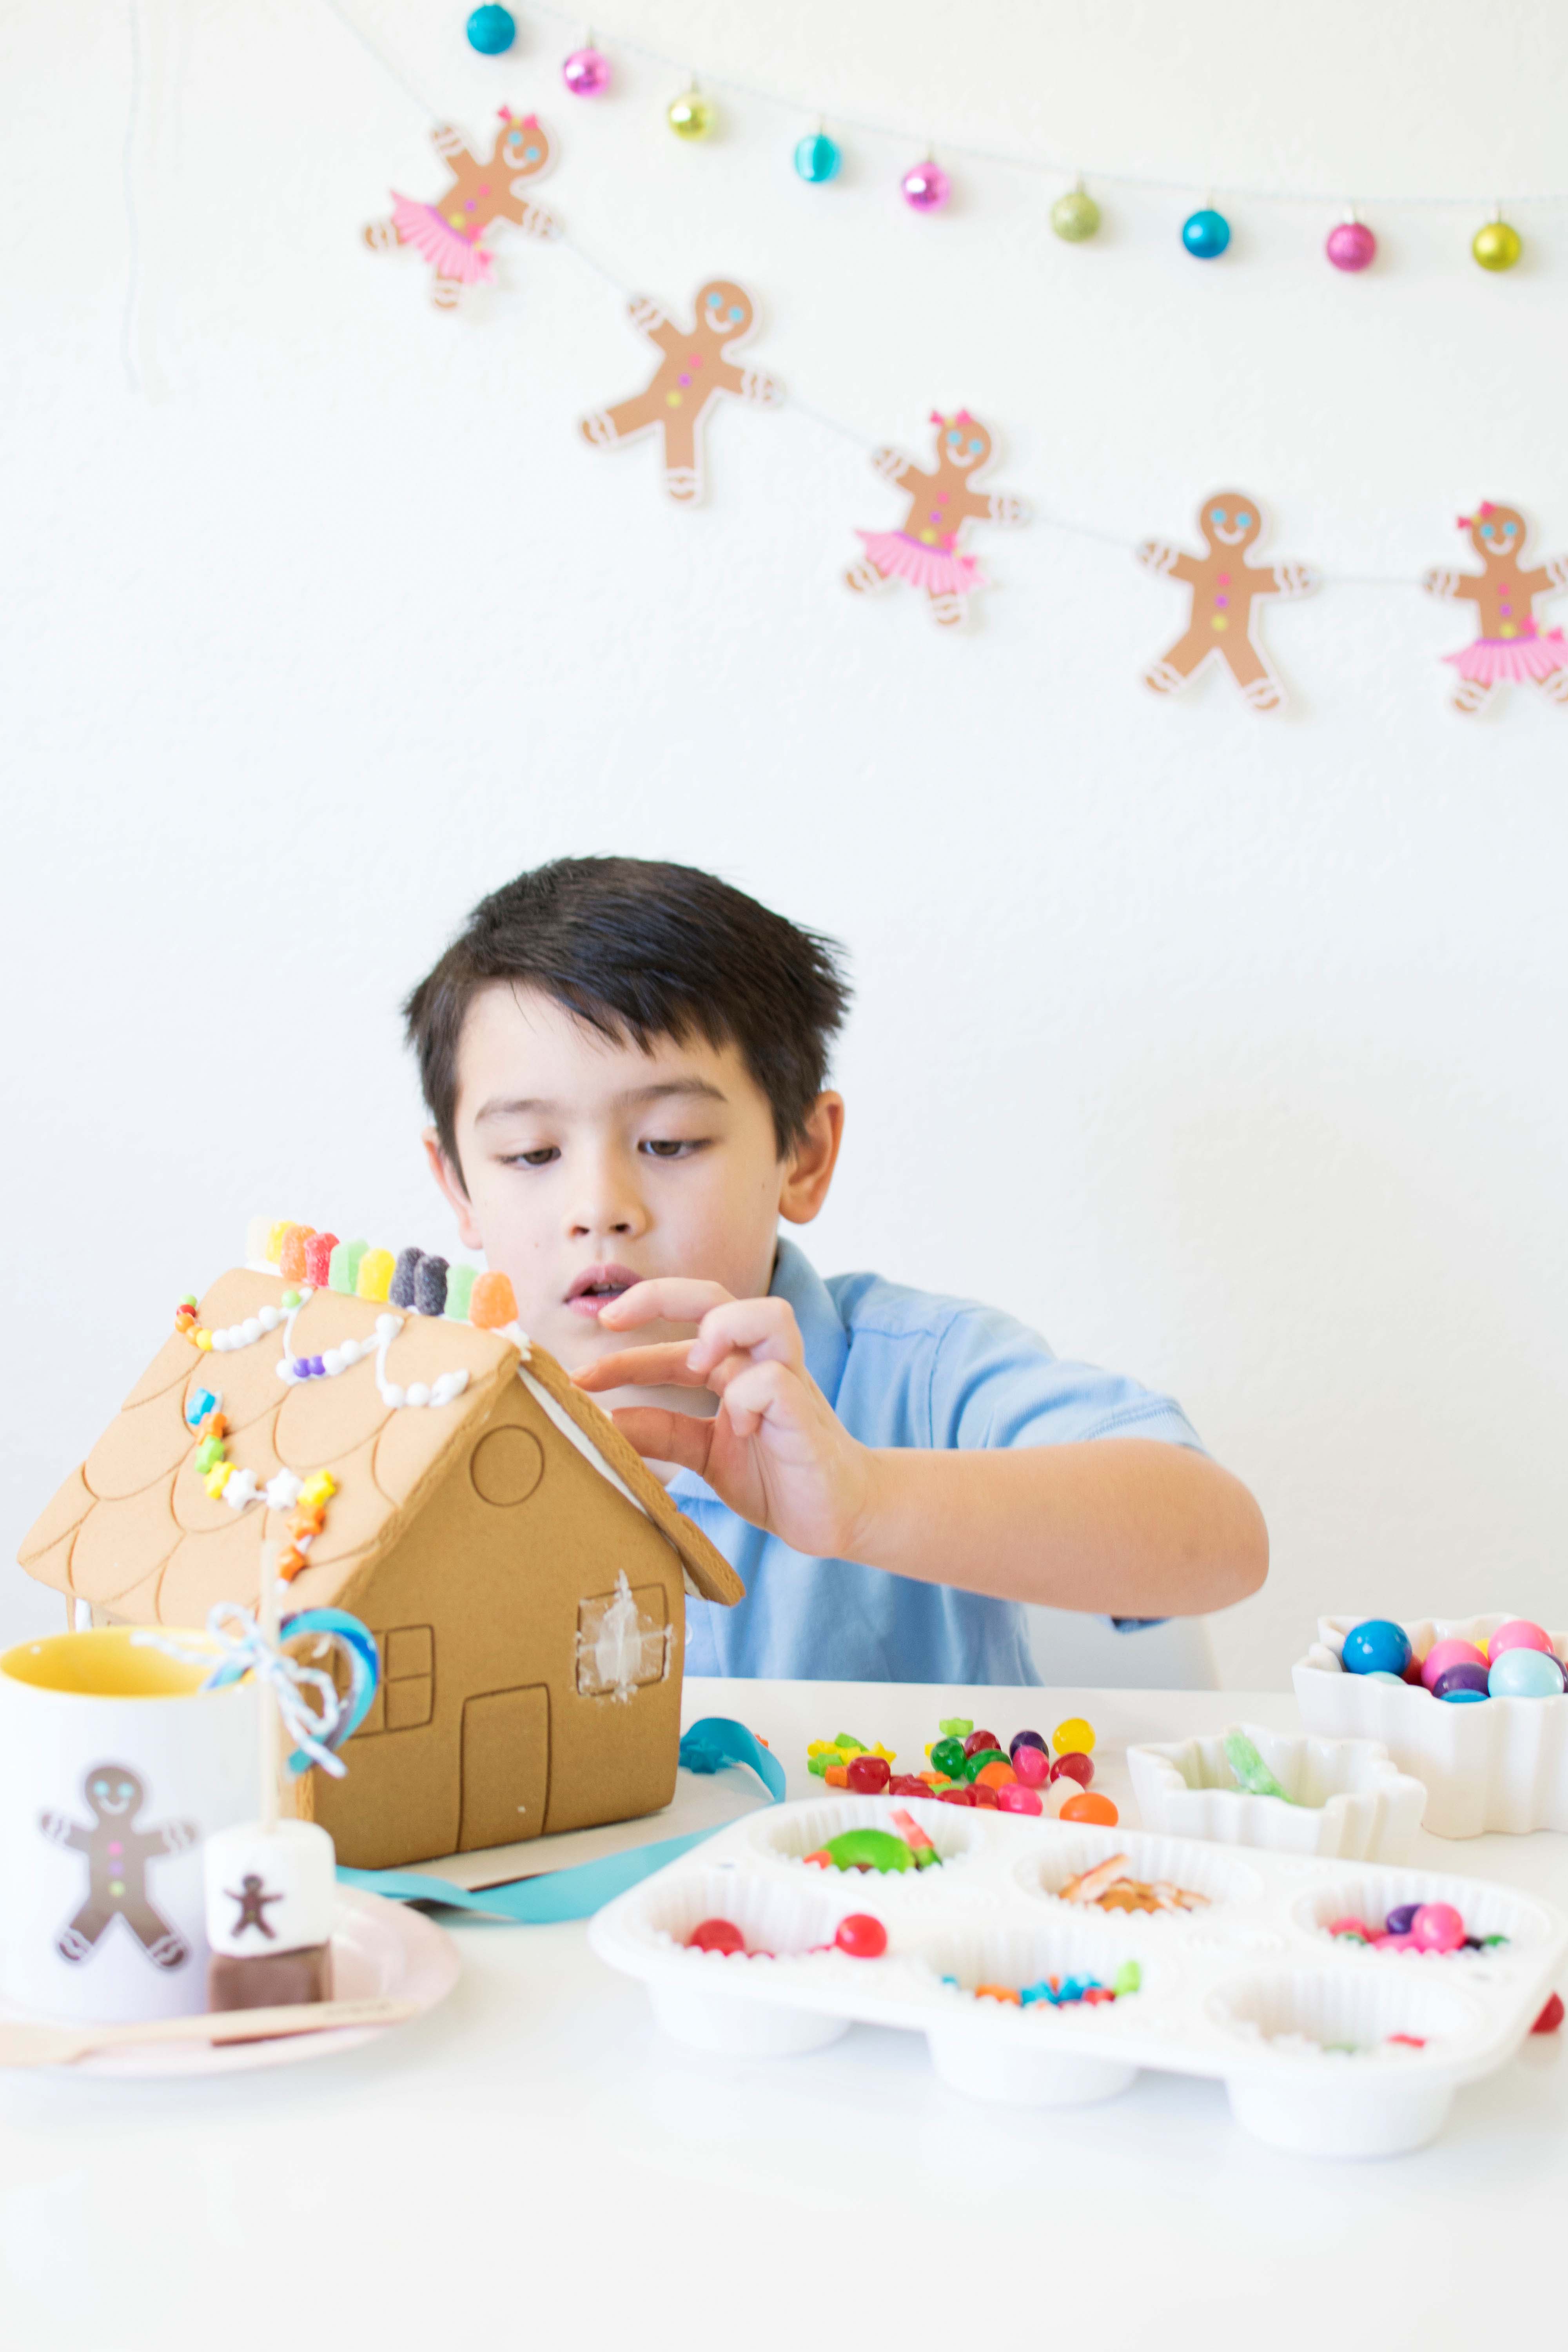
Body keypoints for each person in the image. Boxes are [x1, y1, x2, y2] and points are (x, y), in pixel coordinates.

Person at [403, 857, 1266, 1682]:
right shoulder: (413, 1426)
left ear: (804, 1156)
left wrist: (866, 1500)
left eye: (669, 1142)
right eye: (529, 1153)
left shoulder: (921, 1373)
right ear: (459, 1187)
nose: (597, 1207)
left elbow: (1219, 1543)